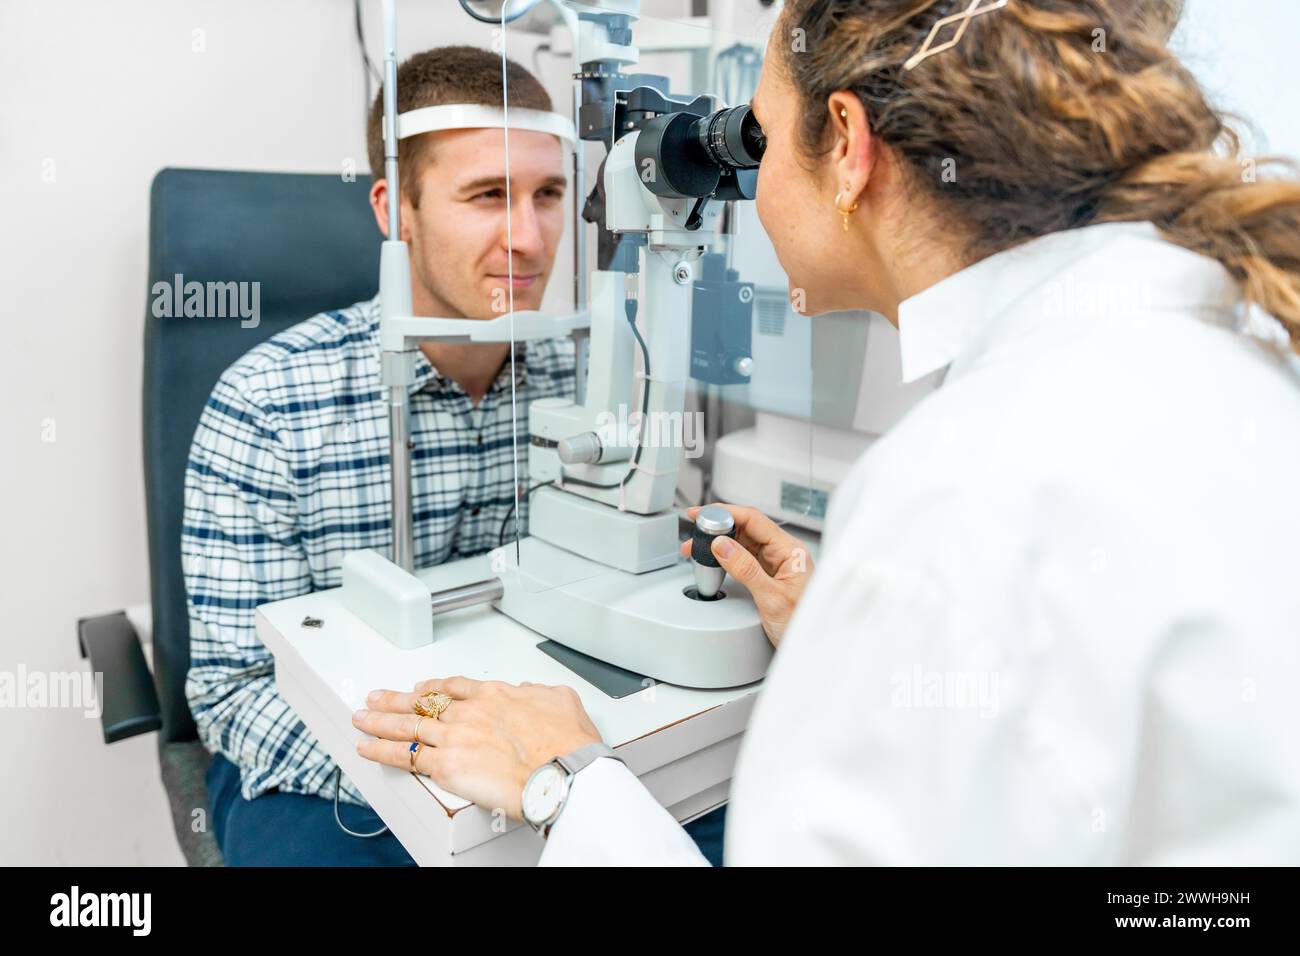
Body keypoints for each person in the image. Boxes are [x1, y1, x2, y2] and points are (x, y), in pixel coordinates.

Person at [352, 0, 1300, 865]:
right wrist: (857, 637)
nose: (751, 182)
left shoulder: (959, 488)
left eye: (761, 136)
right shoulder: (1212, 350)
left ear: (846, 145)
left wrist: (566, 785)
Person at [183, 43, 722, 866]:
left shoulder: (589, 381)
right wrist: (443, 783)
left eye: (549, 195)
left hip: (540, 753)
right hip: (336, 770)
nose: (529, 238)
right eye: (487, 195)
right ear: (394, 210)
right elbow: (233, 693)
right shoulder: (268, 405)